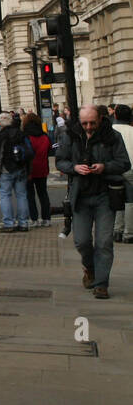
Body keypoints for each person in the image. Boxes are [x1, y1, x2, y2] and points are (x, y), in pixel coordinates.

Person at [55, 105, 131, 300]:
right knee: (81, 241)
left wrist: (104, 167)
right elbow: (60, 161)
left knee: (104, 242)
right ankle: (90, 268)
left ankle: (101, 284)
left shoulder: (112, 136)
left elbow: (124, 163)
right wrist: (74, 168)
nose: (89, 127)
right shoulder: (70, 136)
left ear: (100, 119)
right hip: (80, 196)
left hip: (105, 196)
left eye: (92, 123)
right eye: (85, 123)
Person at [0, 112, 31, 232]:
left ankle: (9, 223)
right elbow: (29, 153)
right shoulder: (20, 133)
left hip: (6, 170)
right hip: (21, 168)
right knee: (22, 195)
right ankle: (23, 223)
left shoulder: (0, 136)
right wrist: (28, 170)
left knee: (5, 196)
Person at [23, 112, 54, 228]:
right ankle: (46, 219)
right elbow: (50, 150)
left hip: (29, 170)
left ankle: (34, 219)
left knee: (29, 195)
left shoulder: (25, 136)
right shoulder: (45, 136)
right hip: (42, 168)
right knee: (43, 194)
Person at [109, 105, 133, 242]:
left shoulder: (111, 130)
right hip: (131, 169)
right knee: (130, 200)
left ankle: (117, 230)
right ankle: (129, 234)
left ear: (116, 116)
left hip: (115, 168)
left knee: (117, 199)